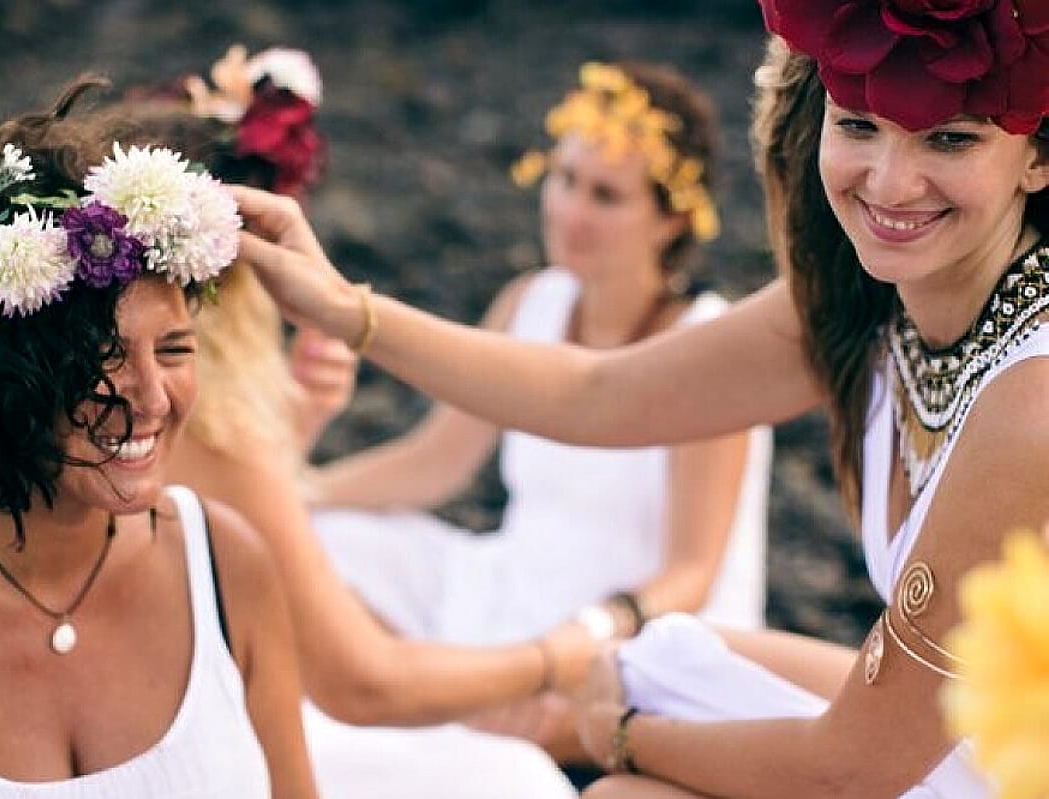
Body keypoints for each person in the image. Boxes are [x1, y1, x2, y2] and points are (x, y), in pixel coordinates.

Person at [230, 0, 1049, 794]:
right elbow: (597, 393)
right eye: (859, 126)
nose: (891, 183)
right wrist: (349, 310)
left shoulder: (1030, 400)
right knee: (654, 662)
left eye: (950, 139)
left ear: (1038, 155)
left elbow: (850, 767)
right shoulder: (864, 303)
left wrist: (613, 732)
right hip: (951, 730)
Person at [126, 47, 590, 797]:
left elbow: (216, 531)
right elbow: (365, 683)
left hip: (158, 698)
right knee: (520, 777)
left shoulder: (138, 391)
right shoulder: (208, 416)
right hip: (189, 740)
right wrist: (561, 656)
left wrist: (299, 425)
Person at [0, 76, 317, 797]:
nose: (154, 397)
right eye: (102, 360)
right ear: (2, 374)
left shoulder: (227, 566)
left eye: (174, 349)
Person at [306, 61, 771, 664]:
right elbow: (437, 461)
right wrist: (300, 495)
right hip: (513, 590)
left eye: (606, 196)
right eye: (566, 178)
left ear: (673, 219)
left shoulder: (709, 348)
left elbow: (693, 574)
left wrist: (576, 645)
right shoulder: (532, 301)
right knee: (319, 544)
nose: (571, 212)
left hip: (639, 633)